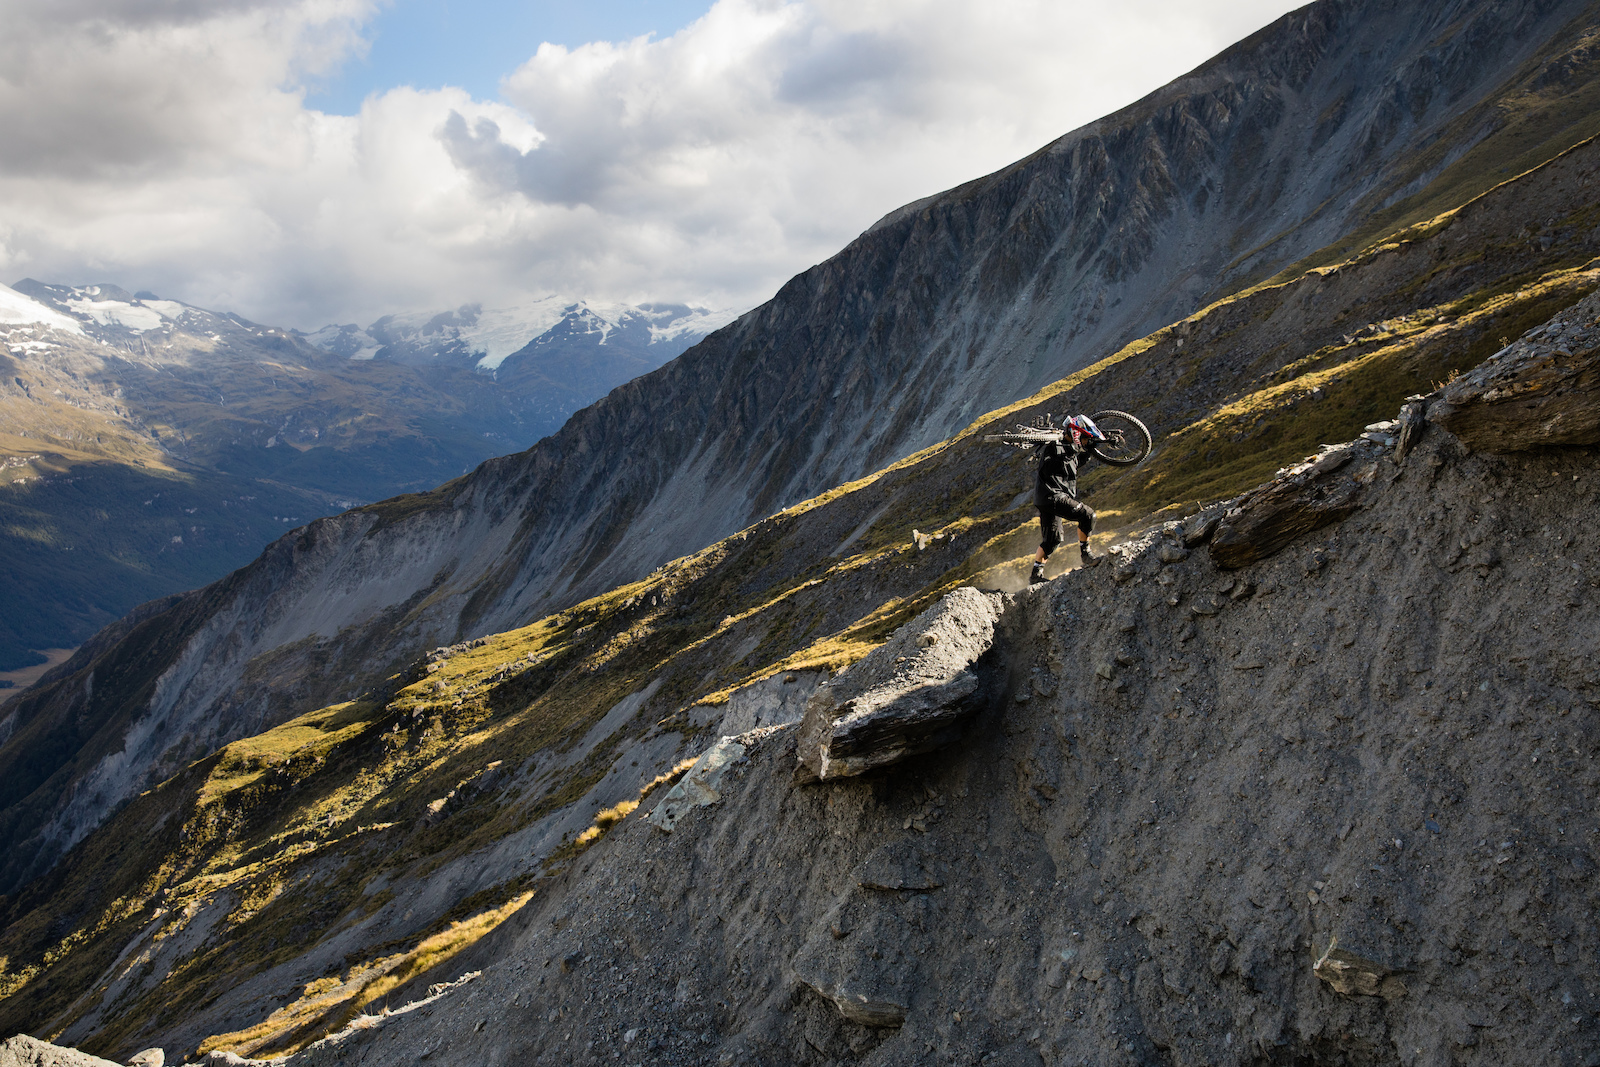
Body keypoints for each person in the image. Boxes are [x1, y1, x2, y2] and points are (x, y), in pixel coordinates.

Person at [1029, 419, 1097, 584]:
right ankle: (1086, 554)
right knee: (1088, 515)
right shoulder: (1056, 445)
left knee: (1053, 539)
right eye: (1084, 439)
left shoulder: (1070, 452)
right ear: (1076, 435)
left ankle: (1035, 576)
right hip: (1053, 496)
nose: (1084, 443)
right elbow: (1060, 453)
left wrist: (1090, 449)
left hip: (1044, 499)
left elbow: (1077, 462)